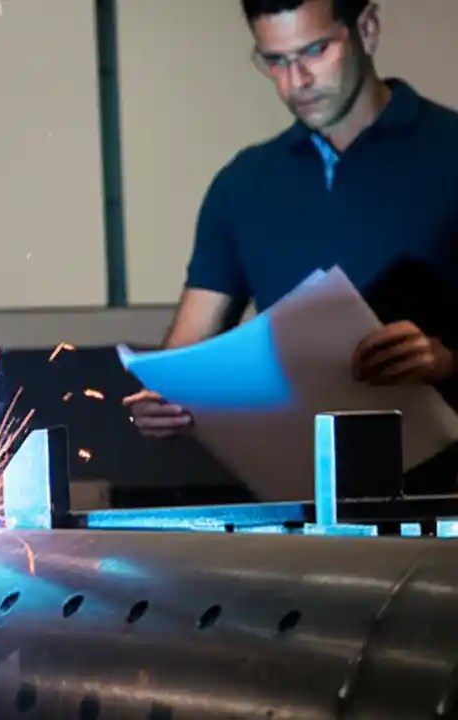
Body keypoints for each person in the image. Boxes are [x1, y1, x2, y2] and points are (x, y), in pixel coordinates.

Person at [124, 0, 458, 487]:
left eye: (315, 51)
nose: (294, 81)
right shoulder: (241, 185)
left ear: (366, 28)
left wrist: (447, 361)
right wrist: (160, 402)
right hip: (306, 519)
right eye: (274, 61)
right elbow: (186, 353)